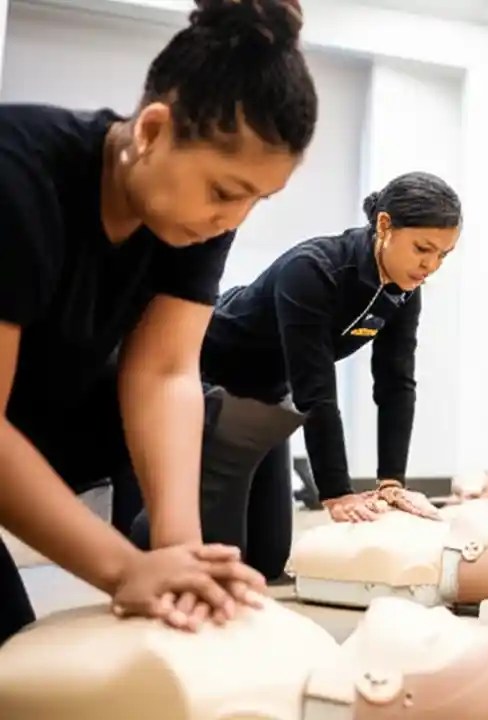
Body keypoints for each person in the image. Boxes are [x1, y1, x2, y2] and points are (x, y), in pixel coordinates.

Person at [0, 0, 319, 644]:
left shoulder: (190, 217)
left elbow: (165, 373)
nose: (233, 219)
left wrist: (181, 557)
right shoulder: (18, 176)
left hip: (42, 412)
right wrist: (124, 570)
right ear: (150, 131)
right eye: (227, 192)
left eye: (259, 199)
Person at [122, 172, 463, 578]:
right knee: (220, 552)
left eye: (444, 255)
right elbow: (315, 390)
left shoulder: (404, 288)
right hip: (210, 379)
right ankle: (135, 550)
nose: (431, 265)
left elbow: (396, 384)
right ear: (385, 226)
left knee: (267, 559)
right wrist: (335, 492)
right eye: (423, 249)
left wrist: (392, 481)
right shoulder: (313, 270)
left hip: (267, 396)